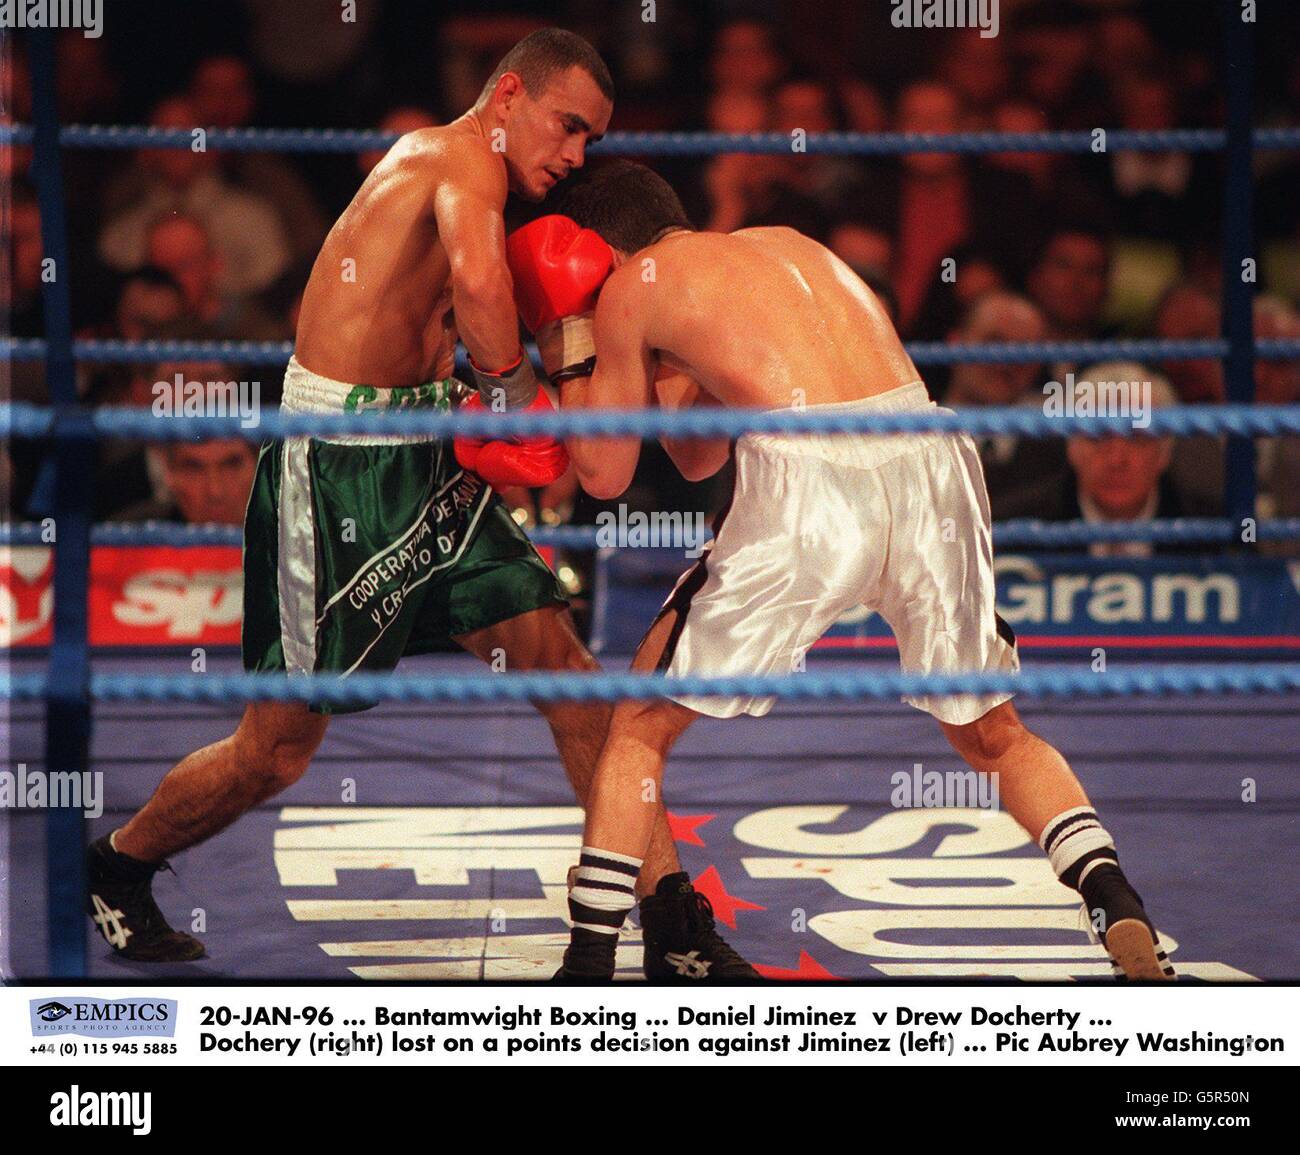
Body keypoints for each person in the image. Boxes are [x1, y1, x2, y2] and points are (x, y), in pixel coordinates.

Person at [86, 31, 754, 983]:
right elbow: (482, 290)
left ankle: (669, 915)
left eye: (590, 142)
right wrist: (519, 398)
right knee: (275, 752)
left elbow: (498, 300)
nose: (574, 156)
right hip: (342, 470)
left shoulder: (506, 197)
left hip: (432, 447)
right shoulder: (452, 159)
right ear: (509, 94)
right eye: (568, 127)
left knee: (567, 674)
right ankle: (120, 861)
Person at [504, 160, 1176, 982]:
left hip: (814, 476)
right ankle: (1118, 905)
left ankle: (587, 964)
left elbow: (603, 474)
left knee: (638, 725)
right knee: (991, 731)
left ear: (594, 249)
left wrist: (569, 346)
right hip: (930, 457)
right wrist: (677, 377)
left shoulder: (630, 285)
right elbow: (695, 452)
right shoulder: (784, 245)